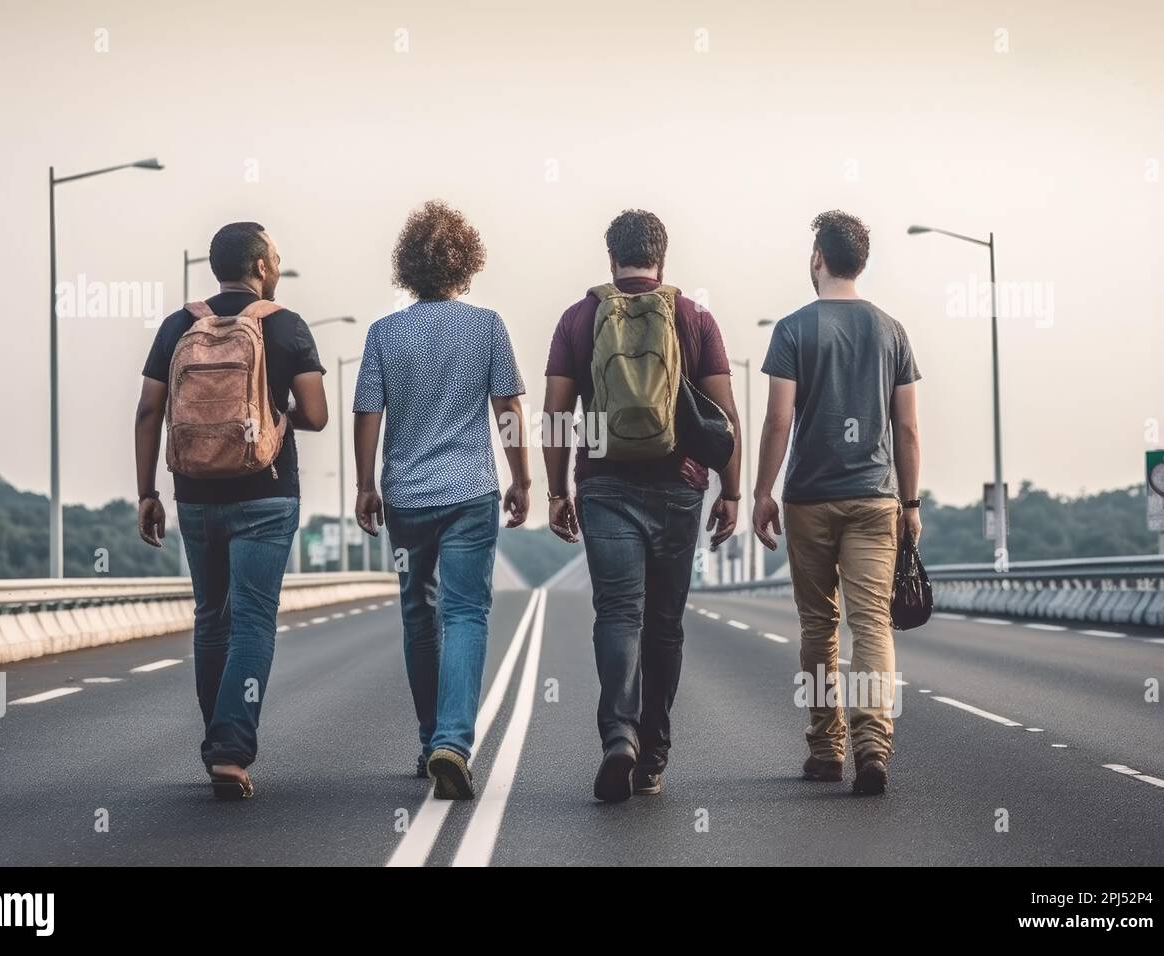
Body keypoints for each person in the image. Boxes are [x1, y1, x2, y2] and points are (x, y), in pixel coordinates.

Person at [543, 208, 741, 803]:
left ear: (611, 259)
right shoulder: (693, 316)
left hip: (604, 485)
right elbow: (725, 417)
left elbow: (555, 417)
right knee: (663, 624)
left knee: (618, 614)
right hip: (680, 486)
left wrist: (557, 491)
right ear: (663, 258)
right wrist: (730, 491)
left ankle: (619, 737)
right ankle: (653, 755)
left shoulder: (580, 318)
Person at [135, 222, 328, 799]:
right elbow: (316, 415)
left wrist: (147, 492)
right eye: (276, 255)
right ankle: (230, 750)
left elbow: (148, 411)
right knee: (252, 620)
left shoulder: (179, 324)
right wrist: (278, 407)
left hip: (194, 495)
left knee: (211, 618)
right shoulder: (285, 325)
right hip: (266, 492)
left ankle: (217, 743)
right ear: (263, 267)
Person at [352, 201, 530, 800]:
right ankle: (453, 740)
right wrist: (523, 477)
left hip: (407, 500)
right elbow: (507, 408)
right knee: (465, 613)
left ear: (409, 266)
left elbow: (367, 415)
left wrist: (366, 485)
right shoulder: (486, 327)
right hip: (470, 493)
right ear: (466, 262)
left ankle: (432, 739)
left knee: (418, 613)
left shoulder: (384, 334)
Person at [752, 210, 922, 796]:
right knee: (872, 624)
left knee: (818, 625)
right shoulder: (891, 331)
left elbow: (778, 421)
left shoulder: (794, 329)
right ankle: (874, 746)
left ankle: (827, 749)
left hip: (810, 501)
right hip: (877, 499)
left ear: (817, 259)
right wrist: (912, 503)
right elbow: (908, 429)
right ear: (861, 262)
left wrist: (760, 493)